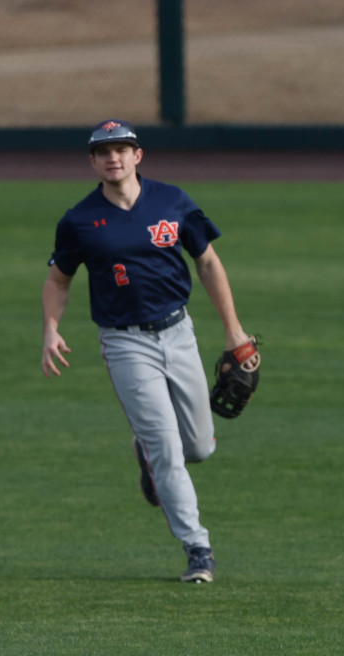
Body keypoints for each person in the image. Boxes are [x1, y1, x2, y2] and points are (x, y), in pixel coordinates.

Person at [41, 118, 255, 584]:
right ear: (93, 162)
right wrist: (51, 328)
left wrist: (234, 332)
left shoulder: (172, 201)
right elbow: (59, 280)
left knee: (198, 446)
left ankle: (144, 451)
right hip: (124, 342)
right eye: (104, 151)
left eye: (122, 149)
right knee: (167, 450)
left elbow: (208, 262)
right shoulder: (79, 220)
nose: (113, 157)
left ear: (138, 156)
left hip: (180, 333)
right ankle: (198, 549)